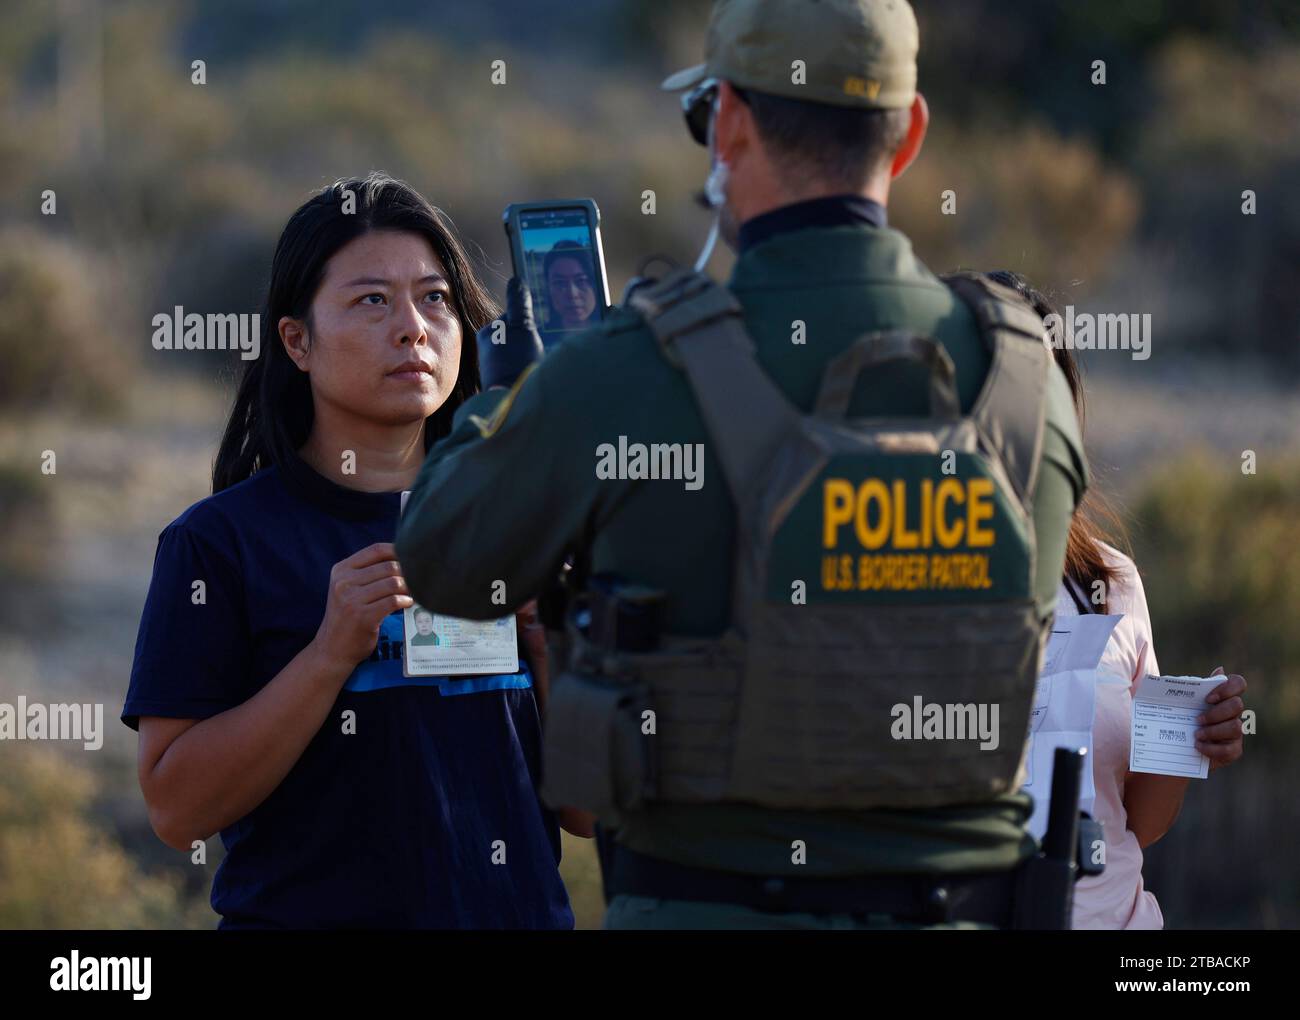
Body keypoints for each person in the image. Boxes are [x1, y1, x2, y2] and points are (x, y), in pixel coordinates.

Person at [396, 0, 1088, 930]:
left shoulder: (623, 367)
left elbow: (448, 562)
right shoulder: (1024, 379)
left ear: (725, 124)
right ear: (911, 131)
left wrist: (504, 400)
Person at [122, 173, 575, 929]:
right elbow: (175, 810)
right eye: (373, 300)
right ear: (297, 341)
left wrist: (549, 640)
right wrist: (329, 654)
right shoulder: (219, 544)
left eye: (435, 298)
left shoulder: (518, 526)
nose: (413, 328)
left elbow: (592, 814)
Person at [983, 270, 1248, 929]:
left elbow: (1140, 822)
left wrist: (1190, 736)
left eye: (1043, 398)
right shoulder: (898, 577)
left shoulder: (1107, 581)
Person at [540, 240, 599, 342]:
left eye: (581, 280)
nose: (572, 294)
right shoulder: (536, 341)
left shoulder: (618, 333)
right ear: (549, 289)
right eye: (560, 283)